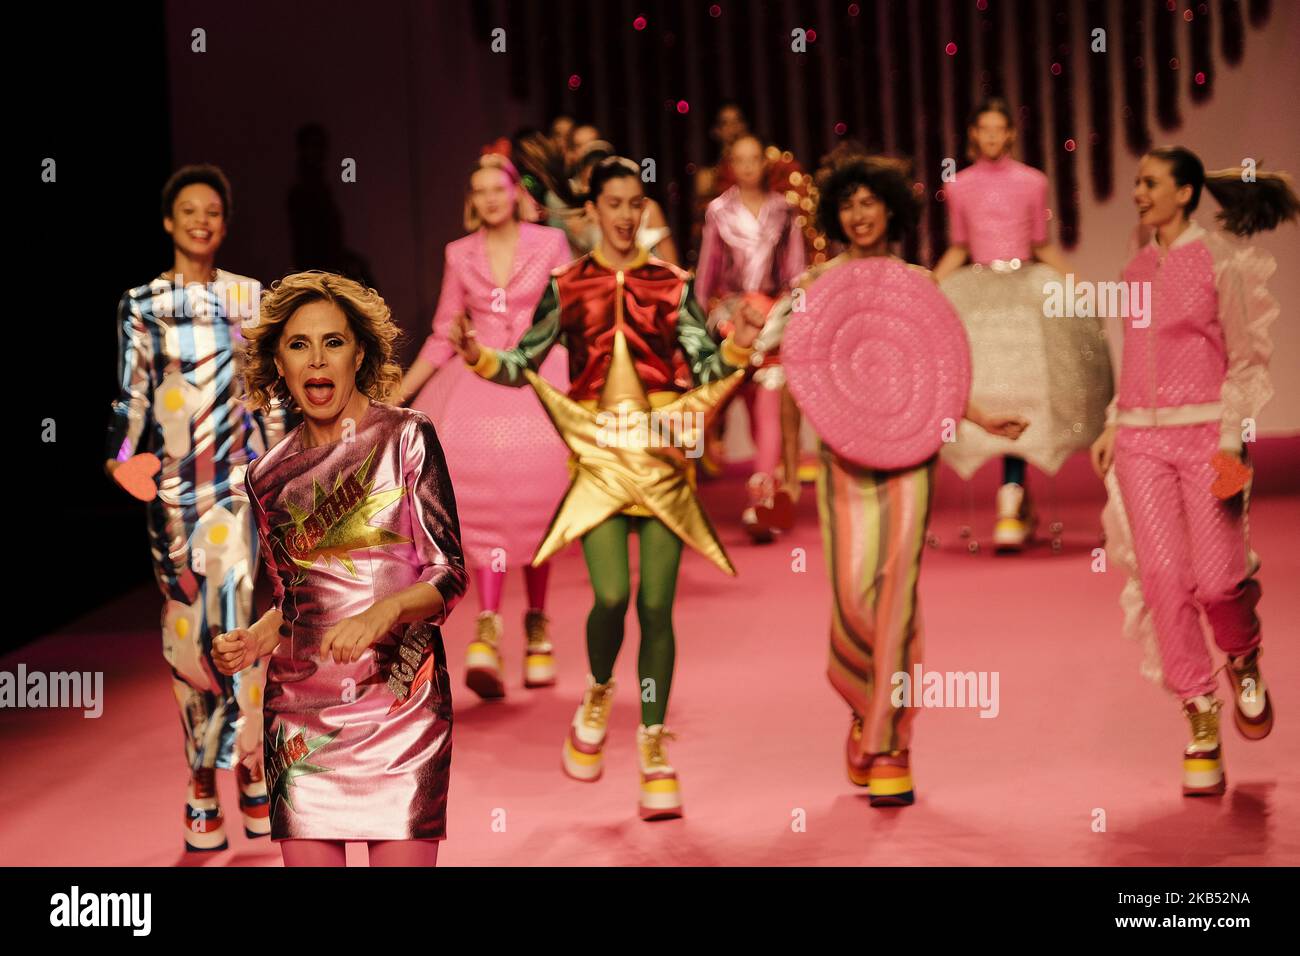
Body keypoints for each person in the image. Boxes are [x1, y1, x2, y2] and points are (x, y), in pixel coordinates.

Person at [449, 156, 764, 820]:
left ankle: (652, 744)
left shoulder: (671, 285)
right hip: (596, 464)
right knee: (611, 597)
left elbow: (707, 361)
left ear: (642, 209)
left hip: (660, 463)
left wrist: (738, 349)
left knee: (654, 608)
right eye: (612, 204)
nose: (624, 215)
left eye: (634, 203)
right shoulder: (568, 285)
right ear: (593, 212)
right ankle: (597, 690)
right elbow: (524, 363)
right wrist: (477, 356)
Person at [758, 153, 1027, 807]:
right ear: (836, 216)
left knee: (896, 593)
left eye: (869, 201)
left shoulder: (916, 282)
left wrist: (984, 415)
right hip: (844, 460)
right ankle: (860, 702)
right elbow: (774, 353)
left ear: (890, 209)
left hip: (911, 457)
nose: (859, 213)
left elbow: (938, 371)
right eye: (847, 203)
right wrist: (783, 455)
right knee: (853, 592)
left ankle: (890, 739)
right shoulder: (815, 286)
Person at [215, 271, 468, 866]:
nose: (316, 359)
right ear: (278, 361)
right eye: (298, 345)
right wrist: (252, 644)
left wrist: (386, 611)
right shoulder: (266, 476)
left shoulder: (407, 436)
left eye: (332, 341)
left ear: (359, 352)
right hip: (301, 722)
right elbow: (292, 603)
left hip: (403, 704)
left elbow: (448, 573)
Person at [1091, 147, 1296, 796]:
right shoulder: (1134, 266)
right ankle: (1199, 711)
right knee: (1161, 579)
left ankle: (1243, 656)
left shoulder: (1222, 261)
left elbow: (1247, 360)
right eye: (1136, 183)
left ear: (1184, 192)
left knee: (1219, 580)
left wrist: (1236, 440)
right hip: (1140, 445)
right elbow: (1135, 357)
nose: (1138, 193)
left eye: (1149, 183)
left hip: (1216, 440)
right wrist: (1113, 421)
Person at [104, 163, 282, 852]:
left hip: (239, 490)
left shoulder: (249, 298)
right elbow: (131, 397)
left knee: (236, 620)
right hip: (173, 493)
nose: (202, 219)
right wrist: (123, 461)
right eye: (189, 210)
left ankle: (242, 771)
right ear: (168, 222)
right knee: (188, 635)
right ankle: (206, 774)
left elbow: (266, 394)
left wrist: (282, 471)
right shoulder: (142, 304)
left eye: (213, 210)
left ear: (224, 222)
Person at [395, 153, 572, 698]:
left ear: (515, 191)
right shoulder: (459, 253)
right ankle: (489, 626)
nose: (490, 199)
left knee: (540, 504)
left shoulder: (550, 244)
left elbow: (568, 311)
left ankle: (538, 625)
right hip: (478, 386)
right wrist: (399, 392)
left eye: (498, 188)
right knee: (484, 504)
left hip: (540, 378)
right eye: (479, 191)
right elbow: (446, 329)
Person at [933, 98, 1112, 551]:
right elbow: (959, 246)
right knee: (990, 394)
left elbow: (1039, 243)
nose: (992, 138)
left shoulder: (1033, 181)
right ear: (973, 135)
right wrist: (928, 287)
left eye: (1000, 130)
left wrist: (1075, 285)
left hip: (1027, 294)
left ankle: (1013, 497)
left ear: (1010, 134)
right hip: (980, 299)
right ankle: (1014, 499)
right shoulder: (958, 185)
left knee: (1029, 393)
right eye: (984, 130)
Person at [696, 133, 806, 541]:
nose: (746, 166)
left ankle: (762, 499)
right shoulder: (718, 211)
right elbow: (708, 271)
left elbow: (795, 271)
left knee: (769, 401)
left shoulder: (784, 209)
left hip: (774, 316)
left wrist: (791, 313)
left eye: (753, 158)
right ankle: (675, 495)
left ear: (765, 163)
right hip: (730, 317)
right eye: (738, 159)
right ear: (730, 164)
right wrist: (700, 316)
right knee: (722, 400)